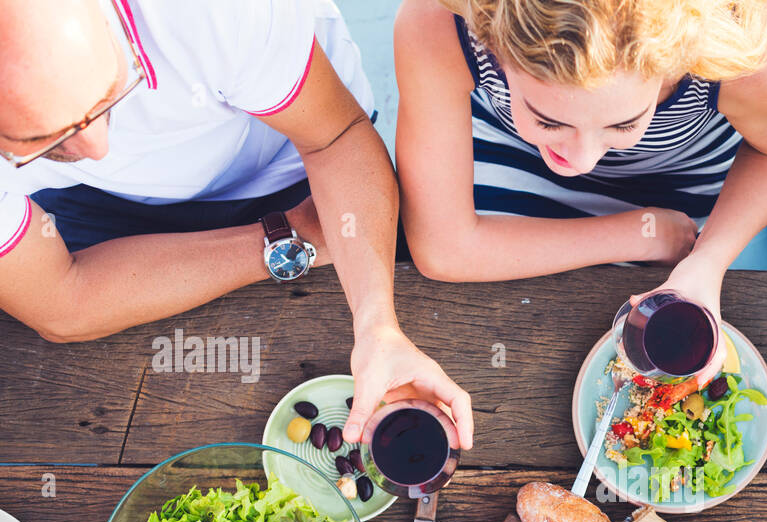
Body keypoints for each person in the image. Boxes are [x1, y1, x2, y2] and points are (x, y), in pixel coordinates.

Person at [0, 0, 472, 448]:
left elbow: (335, 138)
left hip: (290, 153)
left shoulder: (216, 11)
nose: (101, 148)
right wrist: (288, 237)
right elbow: (63, 303)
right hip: (93, 204)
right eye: (49, 142)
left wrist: (378, 328)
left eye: (109, 96)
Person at [394, 0, 767, 379]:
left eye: (624, 124)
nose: (581, 162)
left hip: (680, 174)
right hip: (515, 155)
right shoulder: (436, 20)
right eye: (547, 119)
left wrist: (709, 259)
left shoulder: (744, 43)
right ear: (494, 42)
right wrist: (638, 235)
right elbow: (443, 247)